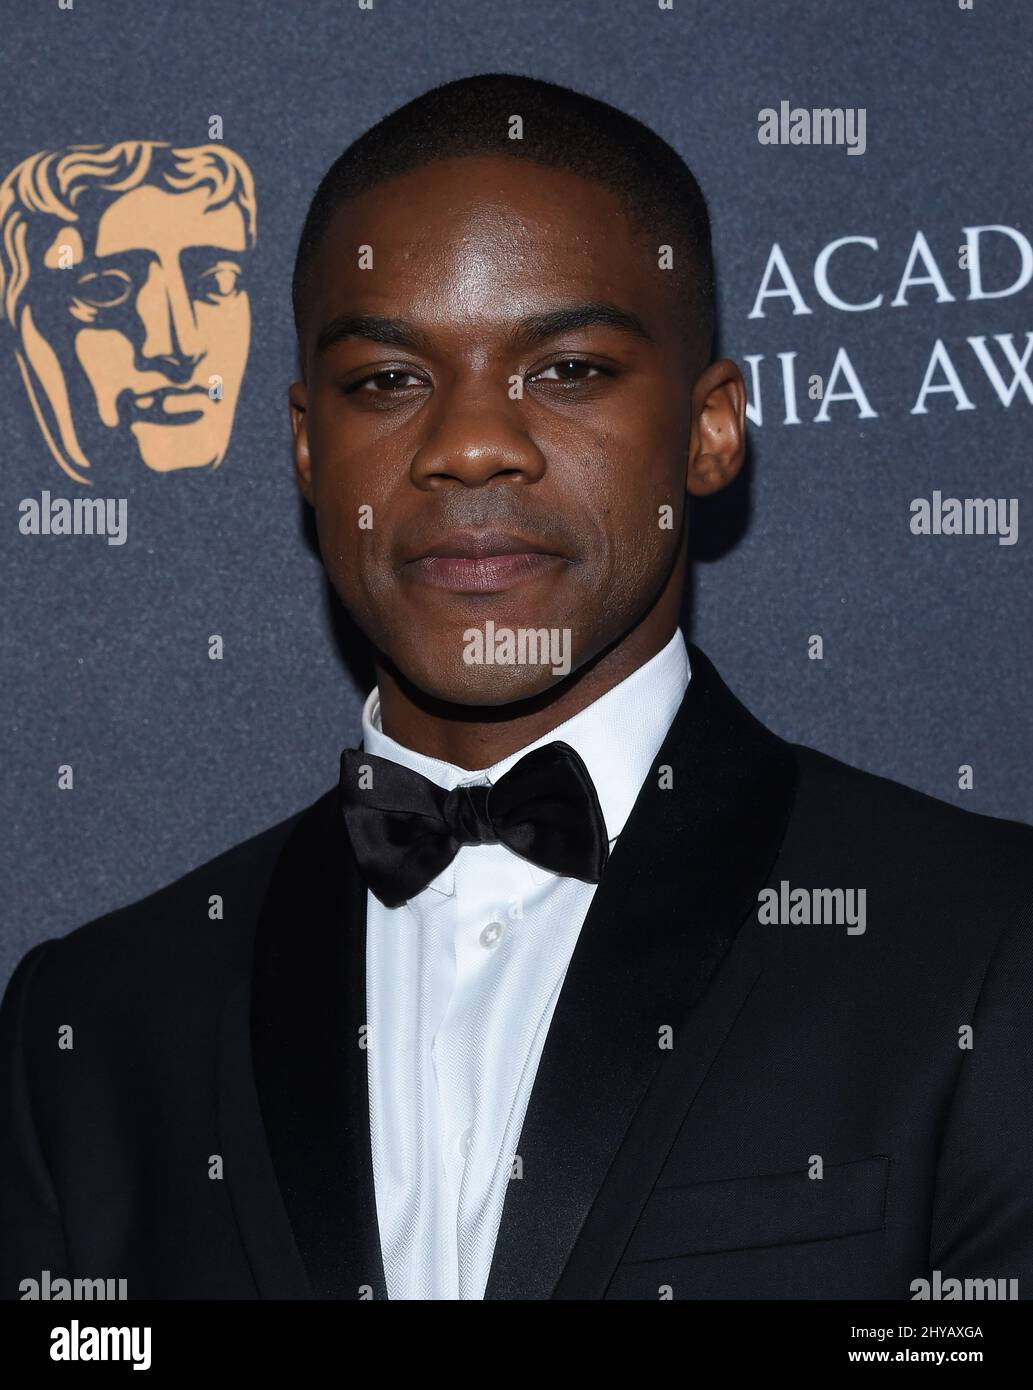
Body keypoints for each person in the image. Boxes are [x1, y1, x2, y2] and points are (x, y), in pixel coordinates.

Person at [2, 72, 1031, 1302]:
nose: (470, 441)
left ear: (709, 429)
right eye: (387, 380)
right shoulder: (97, 1023)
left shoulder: (982, 944)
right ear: (303, 448)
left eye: (568, 369)